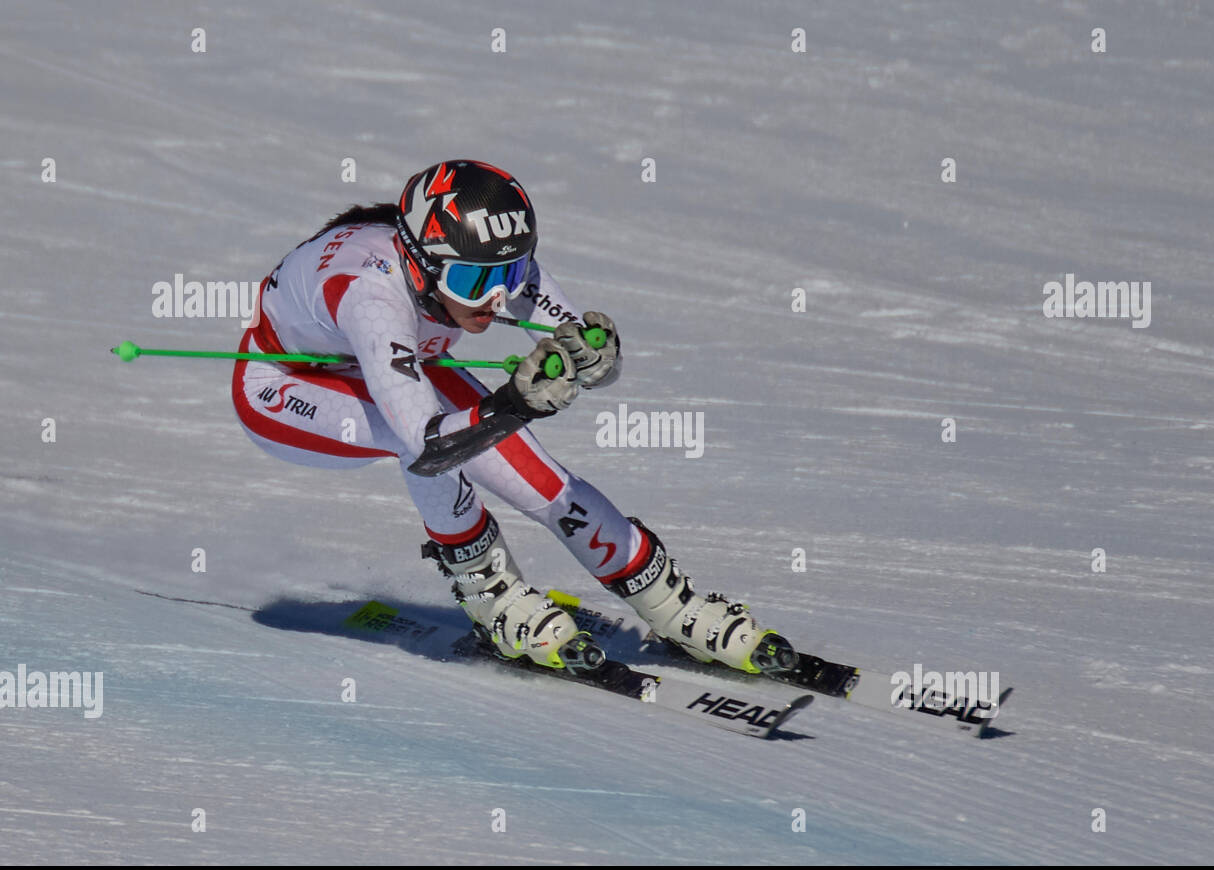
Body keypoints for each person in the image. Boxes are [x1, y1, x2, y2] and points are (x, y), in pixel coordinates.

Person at [232, 159, 795, 675]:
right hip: (285, 387)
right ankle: (492, 598)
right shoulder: (372, 297)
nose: (497, 301)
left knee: (539, 479)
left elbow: (587, 355)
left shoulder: (487, 263)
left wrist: (598, 358)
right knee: (419, 447)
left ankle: (671, 605)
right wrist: (515, 404)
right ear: (420, 265)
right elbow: (430, 446)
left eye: (512, 274)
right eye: (474, 285)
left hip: (400, 360)